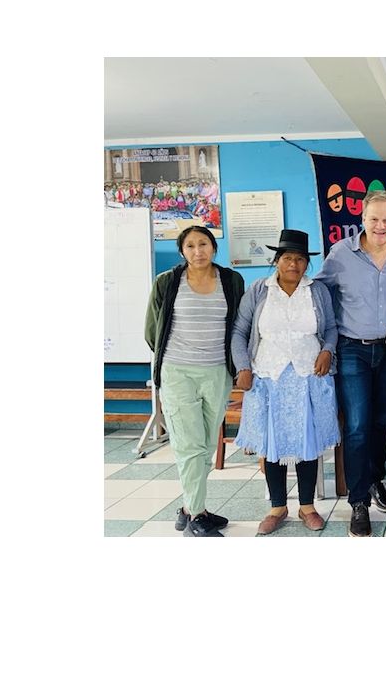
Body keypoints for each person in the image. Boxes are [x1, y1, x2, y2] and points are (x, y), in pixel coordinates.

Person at [315, 190, 386, 536]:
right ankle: (358, 501)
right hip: (352, 350)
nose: (380, 226)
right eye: (374, 219)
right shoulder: (341, 254)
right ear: (362, 219)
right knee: (358, 425)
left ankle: (376, 483)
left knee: (380, 423)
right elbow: (318, 291)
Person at [231, 229, 340, 535]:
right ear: (277, 260)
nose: (294, 264)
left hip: (308, 376)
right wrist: (243, 366)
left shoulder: (317, 291)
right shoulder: (259, 290)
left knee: (308, 442)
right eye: (288, 258)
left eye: (300, 259)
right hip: (268, 376)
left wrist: (327, 351)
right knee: (272, 442)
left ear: (307, 264)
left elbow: (331, 328)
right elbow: (240, 331)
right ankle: (277, 507)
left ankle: (307, 506)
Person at [144, 226, 245, 537]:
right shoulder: (168, 282)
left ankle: (188, 508)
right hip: (178, 373)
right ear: (182, 251)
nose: (198, 251)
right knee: (189, 446)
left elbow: (240, 323)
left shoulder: (231, 280)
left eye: (203, 244)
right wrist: (174, 361)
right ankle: (196, 516)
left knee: (203, 447)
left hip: (217, 372)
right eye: (190, 246)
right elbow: (152, 330)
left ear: (214, 248)